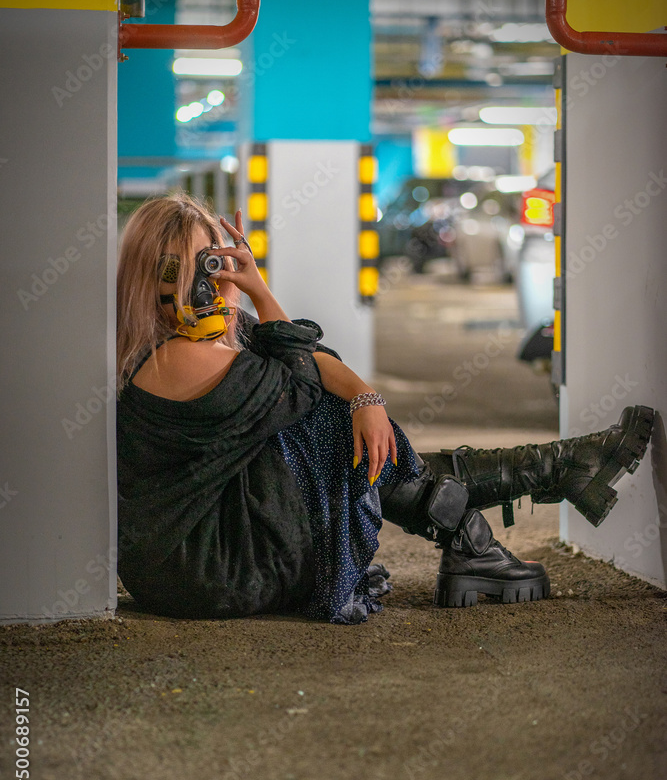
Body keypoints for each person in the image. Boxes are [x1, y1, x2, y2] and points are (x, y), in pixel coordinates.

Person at [116, 193, 654, 623]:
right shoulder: (180, 359)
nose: (215, 280)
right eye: (202, 266)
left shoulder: (183, 344)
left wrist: (367, 400)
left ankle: (515, 500)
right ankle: (536, 484)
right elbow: (304, 377)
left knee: (345, 421)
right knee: (325, 424)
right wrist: (257, 291)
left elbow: (310, 359)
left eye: (221, 260)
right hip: (209, 570)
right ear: (163, 277)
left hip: (206, 553)